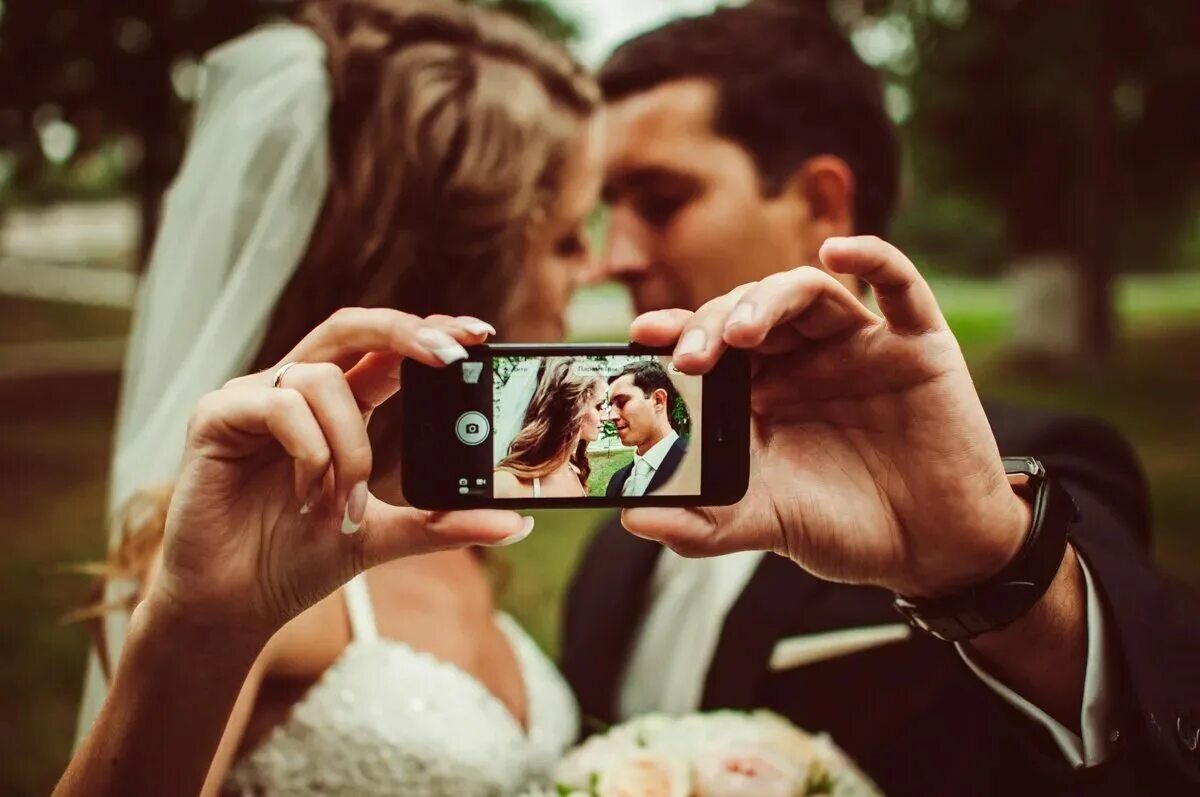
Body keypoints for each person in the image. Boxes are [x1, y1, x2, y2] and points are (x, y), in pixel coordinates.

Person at [561, 3, 1200, 795]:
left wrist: (985, 570)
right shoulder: (626, 524)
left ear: (823, 204)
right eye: (605, 206)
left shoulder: (1019, 477)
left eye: (658, 201)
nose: (612, 255)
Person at [75, 0, 601, 793]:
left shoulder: (452, 515)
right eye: (566, 237)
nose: (591, 268)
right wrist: (198, 632)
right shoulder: (249, 557)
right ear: (471, 264)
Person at [56, 311, 534, 797]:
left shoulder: (458, 532)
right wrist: (199, 628)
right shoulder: (276, 541)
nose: (596, 268)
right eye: (566, 247)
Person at [493, 358, 607, 499]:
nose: (606, 417)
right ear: (573, 411)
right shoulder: (505, 484)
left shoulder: (574, 469)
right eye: (598, 406)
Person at [604, 360, 687, 497]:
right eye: (611, 406)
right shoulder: (616, 481)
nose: (611, 416)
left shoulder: (697, 467)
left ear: (658, 401)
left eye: (622, 402)